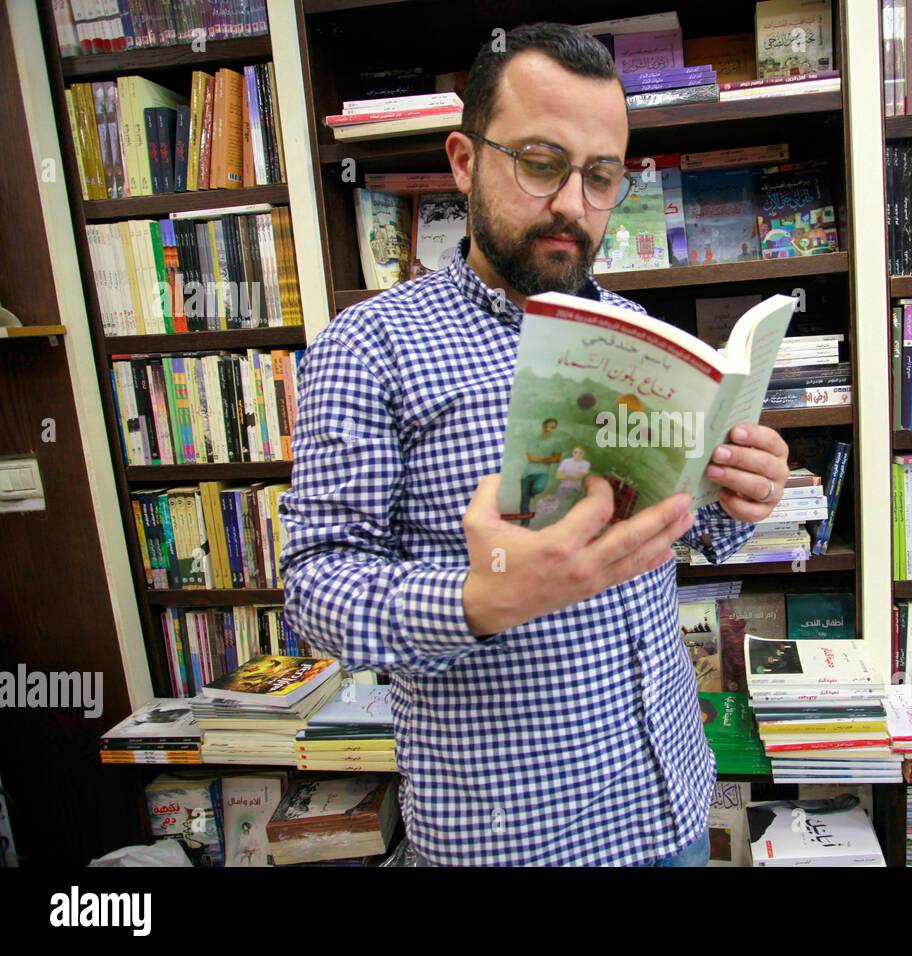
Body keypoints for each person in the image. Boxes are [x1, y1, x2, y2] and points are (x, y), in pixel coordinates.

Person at [278, 22, 791, 867]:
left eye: (601, 177)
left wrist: (742, 490)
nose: (573, 206)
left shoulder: (636, 331)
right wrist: (485, 598)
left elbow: (684, 526)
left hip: (667, 805)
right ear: (462, 160)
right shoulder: (369, 346)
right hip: (509, 838)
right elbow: (316, 587)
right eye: (541, 163)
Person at [520, 417, 563, 524]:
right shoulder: (533, 439)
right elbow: (530, 457)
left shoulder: (556, 443)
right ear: (542, 426)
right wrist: (547, 459)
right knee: (524, 502)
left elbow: (557, 459)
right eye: (546, 426)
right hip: (527, 473)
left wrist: (539, 459)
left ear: (555, 429)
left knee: (538, 488)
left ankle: (532, 492)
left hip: (542, 473)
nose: (548, 429)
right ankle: (524, 525)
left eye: (552, 427)